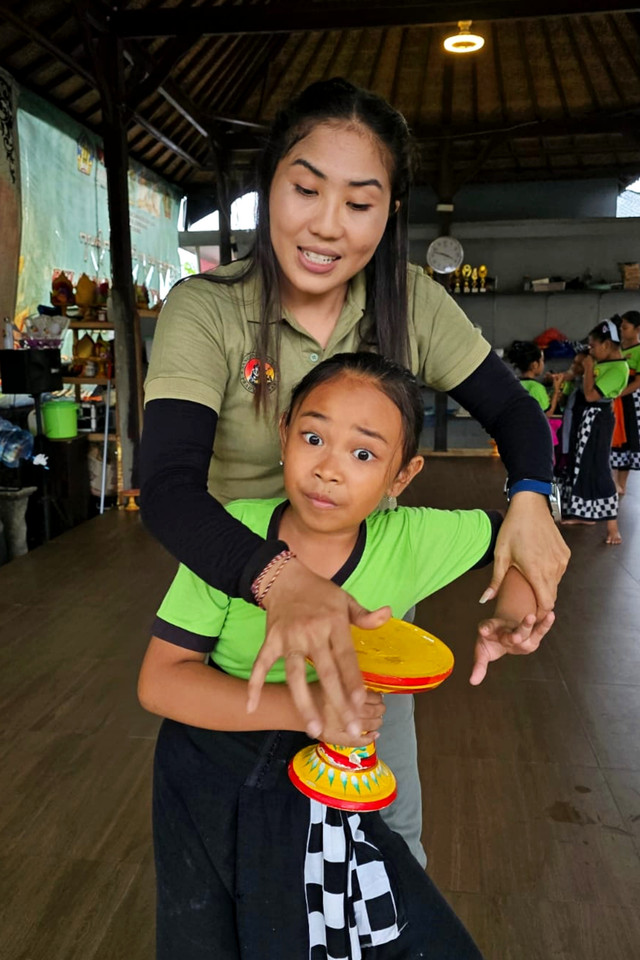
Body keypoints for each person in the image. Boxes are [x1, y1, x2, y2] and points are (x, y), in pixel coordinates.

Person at [140, 77, 569, 864]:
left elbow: (515, 414)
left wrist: (532, 504)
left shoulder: (409, 300)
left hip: (363, 632)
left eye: (360, 202)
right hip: (232, 611)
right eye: (305, 189)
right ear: (269, 183)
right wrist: (280, 580)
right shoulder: (205, 309)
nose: (326, 225)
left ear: (390, 212)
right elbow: (166, 488)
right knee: (243, 843)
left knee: (387, 841)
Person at [139, 353, 554, 960]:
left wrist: (515, 617)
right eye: (313, 437)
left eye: (363, 454)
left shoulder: (412, 539)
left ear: (401, 476)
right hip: (213, 764)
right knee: (212, 937)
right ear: (284, 436)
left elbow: (519, 542)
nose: (329, 469)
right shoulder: (229, 536)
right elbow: (161, 683)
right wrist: (309, 714)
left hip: (337, 770)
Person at [559, 320, 629, 544]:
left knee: (599, 466)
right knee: (580, 463)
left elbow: (591, 395)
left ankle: (612, 527)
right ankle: (582, 513)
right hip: (584, 417)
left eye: (594, 345)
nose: (591, 350)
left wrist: (588, 368)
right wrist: (579, 367)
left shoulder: (619, 368)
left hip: (598, 420)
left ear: (607, 344)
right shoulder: (601, 361)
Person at [610, 310, 640, 496]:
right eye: (621, 327)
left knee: (628, 438)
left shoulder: (638, 351)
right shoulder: (618, 349)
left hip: (629, 400)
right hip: (616, 400)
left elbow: (638, 381)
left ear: (637, 329)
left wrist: (619, 394)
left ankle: (622, 484)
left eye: (625, 327)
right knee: (613, 438)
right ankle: (613, 482)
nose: (622, 331)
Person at [505, 340, 550, 412]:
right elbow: (547, 414)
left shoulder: (513, 384)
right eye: (542, 360)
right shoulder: (536, 387)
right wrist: (556, 391)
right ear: (535, 365)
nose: (543, 364)